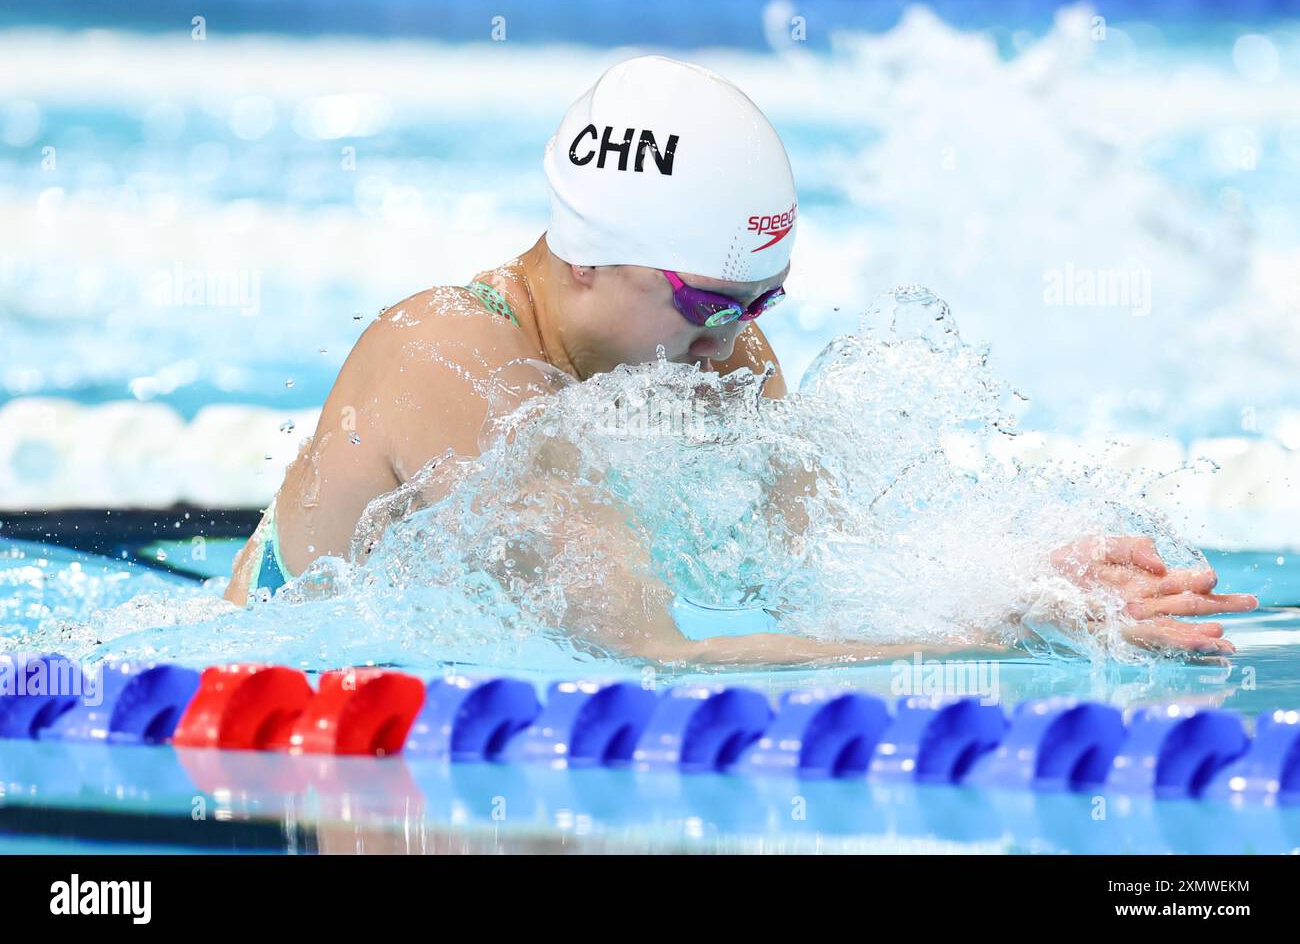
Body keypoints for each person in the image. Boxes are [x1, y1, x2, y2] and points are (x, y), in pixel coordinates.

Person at [224, 55, 1254, 663]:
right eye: (705, 303)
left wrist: (1028, 579)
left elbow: (827, 568)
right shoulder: (454, 363)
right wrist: (996, 639)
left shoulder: (715, 347)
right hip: (295, 724)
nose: (732, 342)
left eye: (762, 302)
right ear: (589, 257)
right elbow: (653, 657)